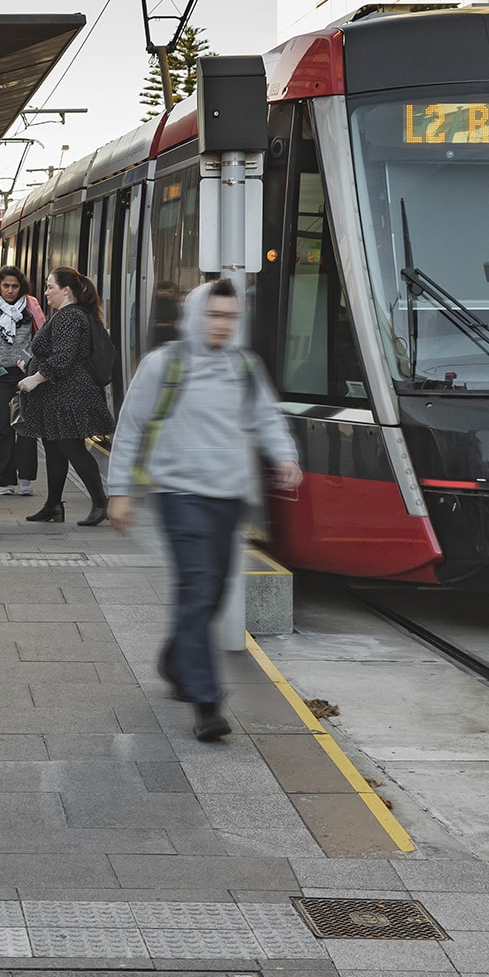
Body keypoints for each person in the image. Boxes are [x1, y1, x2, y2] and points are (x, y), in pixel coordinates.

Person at [106, 278, 302, 741]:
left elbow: (264, 416)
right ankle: (207, 699)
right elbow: (131, 427)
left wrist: (285, 456)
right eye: (213, 315)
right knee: (197, 589)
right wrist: (119, 491)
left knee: (211, 594)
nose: (222, 324)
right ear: (195, 315)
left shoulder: (243, 367)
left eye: (230, 317)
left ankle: (176, 660)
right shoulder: (164, 365)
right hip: (180, 497)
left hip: (230, 499)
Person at [16, 267, 115, 525]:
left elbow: (63, 359)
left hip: (67, 396)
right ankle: (53, 505)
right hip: (58, 396)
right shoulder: (68, 315)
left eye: (50, 287)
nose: (46, 292)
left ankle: (100, 502)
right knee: (54, 449)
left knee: (71, 448)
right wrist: (29, 366)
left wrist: (34, 378)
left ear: (66, 290)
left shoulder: (69, 317)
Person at [0, 267, 46, 497]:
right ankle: (6, 481)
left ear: (21, 287)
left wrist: (33, 362)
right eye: (6, 286)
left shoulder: (32, 305)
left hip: (25, 374)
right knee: (3, 427)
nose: (10, 290)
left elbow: (42, 335)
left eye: (15, 286)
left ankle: (26, 478)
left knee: (26, 426)